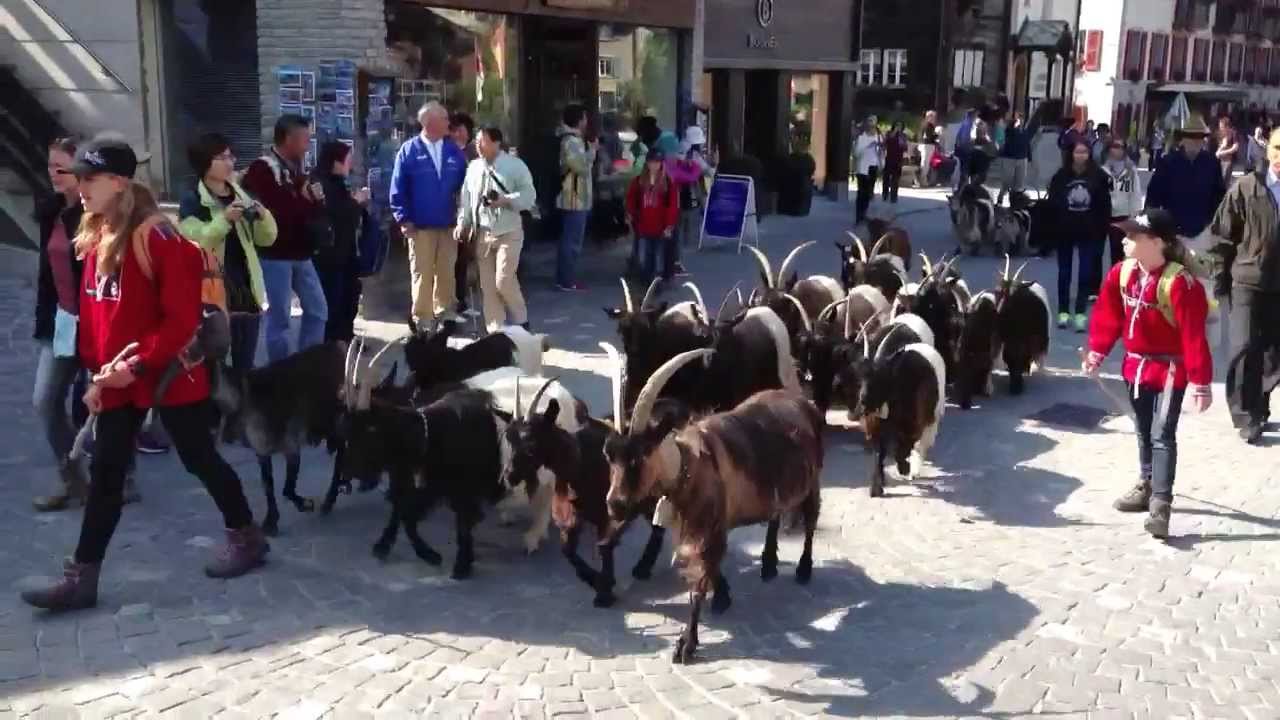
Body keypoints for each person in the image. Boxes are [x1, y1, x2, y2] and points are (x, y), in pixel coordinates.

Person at [21, 137, 269, 612]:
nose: (80, 186)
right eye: (78, 176)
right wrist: (97, 377)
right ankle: (82, 577)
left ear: (118, 182)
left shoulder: (159, 239)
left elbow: (179, 323)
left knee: (198, 457)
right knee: (107, 472)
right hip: (119, 379)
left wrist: (132, 365)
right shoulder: (95, 233)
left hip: (170, 373)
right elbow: (97, 318)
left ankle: (247, 535)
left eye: (90, 177)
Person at [1085, 209, 1213, 538]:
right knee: (1143, 429)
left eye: (1133, 236)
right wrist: (1097, 352)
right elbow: (1108, 315)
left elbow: (1194, 336)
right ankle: (1146, 483)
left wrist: (1201, 383)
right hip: (1135, 368)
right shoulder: (1122, 273)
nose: (1124, 241)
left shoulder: (1180, 284)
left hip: (1171, 371)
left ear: (1157, 242)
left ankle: (1161, 505)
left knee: (1162, 434)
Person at [178, 133, 277, 377]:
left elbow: (266, 239)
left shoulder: (240, 194)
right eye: (221, 157)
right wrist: (224, 220)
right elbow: (196, 242)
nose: (229, 162)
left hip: (247, 291)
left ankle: (242, 399)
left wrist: (263, 216)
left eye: (231, 156)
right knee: (214, 366)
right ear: (204, 162)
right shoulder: (193, 201)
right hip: (214, 295)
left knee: (245, 365)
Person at [1208, 126, 1280, 445]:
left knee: (1273, 354)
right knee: (1244, 347)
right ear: (1268, 149)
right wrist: (1219, 278)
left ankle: (1259, 404)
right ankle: (1245, 414)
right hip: (1247, 280)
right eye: (1277, 148)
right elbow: (1223, 236)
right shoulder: (1247, 187)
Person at [242, 114, 329, 362]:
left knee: (318, 310)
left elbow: (311, 209)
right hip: (275, 255)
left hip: (302, 253)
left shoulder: (298, 169)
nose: (308, 145)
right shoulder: (263, 169)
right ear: (289, 139)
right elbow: (279, 212)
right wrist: (304, 198)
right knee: (280, 319)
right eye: (304, 139)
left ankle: (308, 363)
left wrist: (314, 200)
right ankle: (281, 370)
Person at [32, 137, 89, 512]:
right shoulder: (50, 210)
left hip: (97, 322)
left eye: (61, 167)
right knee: (45, 401)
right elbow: (47, 274)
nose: (53, 173)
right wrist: (45, 318)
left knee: (107, 405)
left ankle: (122, 477)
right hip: (62, 320)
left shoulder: (94, 212)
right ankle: (73, 479)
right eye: (50, 166)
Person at [390, 102, 468, 329]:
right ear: (430, 122)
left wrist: (465, 217)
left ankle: (445, 312)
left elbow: (466, 185)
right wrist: (403, 218)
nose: (448, 123)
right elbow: (398, 188)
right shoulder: (409, 151)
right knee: (422, 272)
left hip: (449, 224)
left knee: (446, 271)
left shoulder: (453, 151)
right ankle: (422, 318)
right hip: (419, 226)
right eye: (444, 119)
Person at [455, 126, 535, 331]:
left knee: (504, 280)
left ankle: (521, 321)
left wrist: (505, 199)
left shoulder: (515, 165)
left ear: (496, 143)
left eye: (483, 141)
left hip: (509, 231)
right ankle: (495, 329)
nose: (478, 145)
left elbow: (529, 195)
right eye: (476, 141)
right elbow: (466, 198)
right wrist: (462, 222)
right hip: (483, 232)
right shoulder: (473, 167)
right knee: (488, 286)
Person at [1048, 140, 1111, 332]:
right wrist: (1054, 227)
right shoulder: (1061, 176)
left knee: (1085, 274)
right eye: (1078, 152)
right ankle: (1063, 312)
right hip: (1065, 231)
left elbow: (1104, 206)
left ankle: (1081, 313)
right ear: (1071, 154)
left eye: (1084, 152)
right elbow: (1053, 204)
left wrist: (1101, 230)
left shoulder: (1098, 176)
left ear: (1089, 154)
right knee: (1064, 273)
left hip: (1089, 232)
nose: (1081, 155)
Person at [311, 141, 369, 343]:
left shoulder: (339, 182)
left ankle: (346, 338)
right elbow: (335, 214)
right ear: (335, 162)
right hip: (330, 256)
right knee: (333, 301)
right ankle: (334, 344)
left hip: (346, 252)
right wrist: (356, 202)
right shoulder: (320, 183)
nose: (350, 164)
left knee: (349, 297)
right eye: (347, 159)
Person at [1145, 115, 1226, 257]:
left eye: (1200, 137)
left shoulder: (1212, 163)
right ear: (1183, 138)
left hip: (1202, 232)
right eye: (1191, 136)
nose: (1196, 141)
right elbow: (1154, 196)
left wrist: (1211, 225)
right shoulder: (1168, 162)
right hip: (1173, 232)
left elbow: (1219, 196)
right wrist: (1155, 224)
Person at [554, 103, 597, 292]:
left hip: (575, 198)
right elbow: (581, 167)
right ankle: (567, 280)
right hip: (574, 199)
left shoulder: (572, 140)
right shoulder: (571, 141)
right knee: (572, 242)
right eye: (584, 117)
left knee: (569, 240)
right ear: (578, 120)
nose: (586, 121)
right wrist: (592, 151)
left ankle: (564, 278)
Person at [626, 148, 679, 282]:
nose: (654, 165)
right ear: (647, 163)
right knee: (645, 256)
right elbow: (631, 198)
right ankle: (646, 279)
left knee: (658, 257)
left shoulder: (668, 182)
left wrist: (669, 225)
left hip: (661, 227)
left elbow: (672, 205)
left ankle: (657, 281)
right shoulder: (639, 181)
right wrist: (630, 213)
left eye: (657, 162)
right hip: (643, 226)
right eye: (652, 162)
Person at [449, 112, 478, 317]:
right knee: (450, 262)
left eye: (462, 130)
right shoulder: (447, 153)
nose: (459, 134)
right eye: (455, 130)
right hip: (450, 214)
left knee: (462, 261)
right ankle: (451, 304)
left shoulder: (472, 153)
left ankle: (461, 301)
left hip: (467, 213)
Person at [1101, 139, 1145, 268]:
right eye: (1114, 146)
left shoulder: (1131, 170)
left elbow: (1136, 192)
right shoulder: (1102, 170)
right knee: (1101, 251)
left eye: (1121, 147)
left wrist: (1135, 213)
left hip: (1123, 215)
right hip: (1105, 214)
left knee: (1121, 251)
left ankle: (1120, 275)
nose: (1117, 149)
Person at [675, 125, 715, 248]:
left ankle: (679, 243)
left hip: (678, 190)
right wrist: (714, 166)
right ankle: (689, 244)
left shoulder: (678, 151)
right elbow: (707, 171)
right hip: (692, 190)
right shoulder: (694, 155)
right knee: (691, 217)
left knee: (680, 218)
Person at [996, 112, 1031, 206]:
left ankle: (1014, 202)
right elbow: (1008, 131)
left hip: (1022, 158)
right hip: (1009, 158)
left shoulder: (1025, 131)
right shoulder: (1009, 130)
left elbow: (1027, 144)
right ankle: (1000, 199)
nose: (1020, 120)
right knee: (1006, 181)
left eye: (1021, 118)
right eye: (1018, 118)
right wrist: (1014, 123)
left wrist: (1029, 157)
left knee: (1019, 182)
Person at [853, 117, 883, 224]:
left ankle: (864, 213)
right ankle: (859, 216)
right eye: (870, 122)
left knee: (868, 193)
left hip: (873, 167)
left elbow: (881, 153)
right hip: (862, 168)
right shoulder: (861, 138)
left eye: (874, 123)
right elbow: (856, 153)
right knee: (861, 192)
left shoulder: (879, 137)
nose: (872, 128)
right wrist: (867, 146)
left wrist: (881, 164)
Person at [881, 121, 908, 203]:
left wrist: (902, 141)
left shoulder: (903, 136)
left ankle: (893, 196)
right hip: (889, 158)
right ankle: (885, 194)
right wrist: (894, 132)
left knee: (895, 179)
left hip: (898, 159)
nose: (898, 127)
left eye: (900, 126)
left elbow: (905, 147)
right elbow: (885, 142)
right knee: (886, 178)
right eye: (897, 125)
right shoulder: (889, 133)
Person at [918, 110, 939, 188]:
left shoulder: (928, 125)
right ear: (929, 117)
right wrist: (936, 136)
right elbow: (928, 137)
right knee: (925, 163)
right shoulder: (927, 125)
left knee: (926, 163)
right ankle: (922, 180)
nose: (934, 119)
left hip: (927, 145)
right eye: (933, 117)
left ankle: (923, 179)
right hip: (926, 145)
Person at [1215, 116, 1239, 183]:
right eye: (1220, 126)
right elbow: (1221, 146)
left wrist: (1222, 152)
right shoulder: (1220, 134)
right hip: (1219, 160)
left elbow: (1235, 148)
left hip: (1228, 161)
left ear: (1227, 126)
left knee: (1225, 180)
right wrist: (1219, 150)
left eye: (1222, 127)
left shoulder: (1233, 133)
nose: (1220, 128)